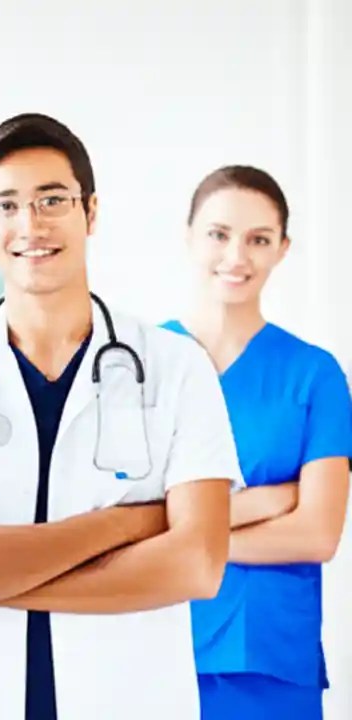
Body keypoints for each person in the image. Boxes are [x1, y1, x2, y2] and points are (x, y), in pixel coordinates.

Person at [0, 113, 243, 720]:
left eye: (52, 199)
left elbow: (197, 565)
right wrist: (122, 527)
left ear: (90, 212)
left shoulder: (177, 368)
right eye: (7, 205)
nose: (31, 224)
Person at [162, 165, 352, 719]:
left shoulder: (315, 375)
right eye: (219, 234)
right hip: (158, 642)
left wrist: (183, 540)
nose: (236, 256)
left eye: (258, 239)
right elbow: (121, 521)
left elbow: (318, 533)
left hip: (270, 656)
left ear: (282, 249)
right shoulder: (143, 366)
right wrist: (267, 502)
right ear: (190, 236)